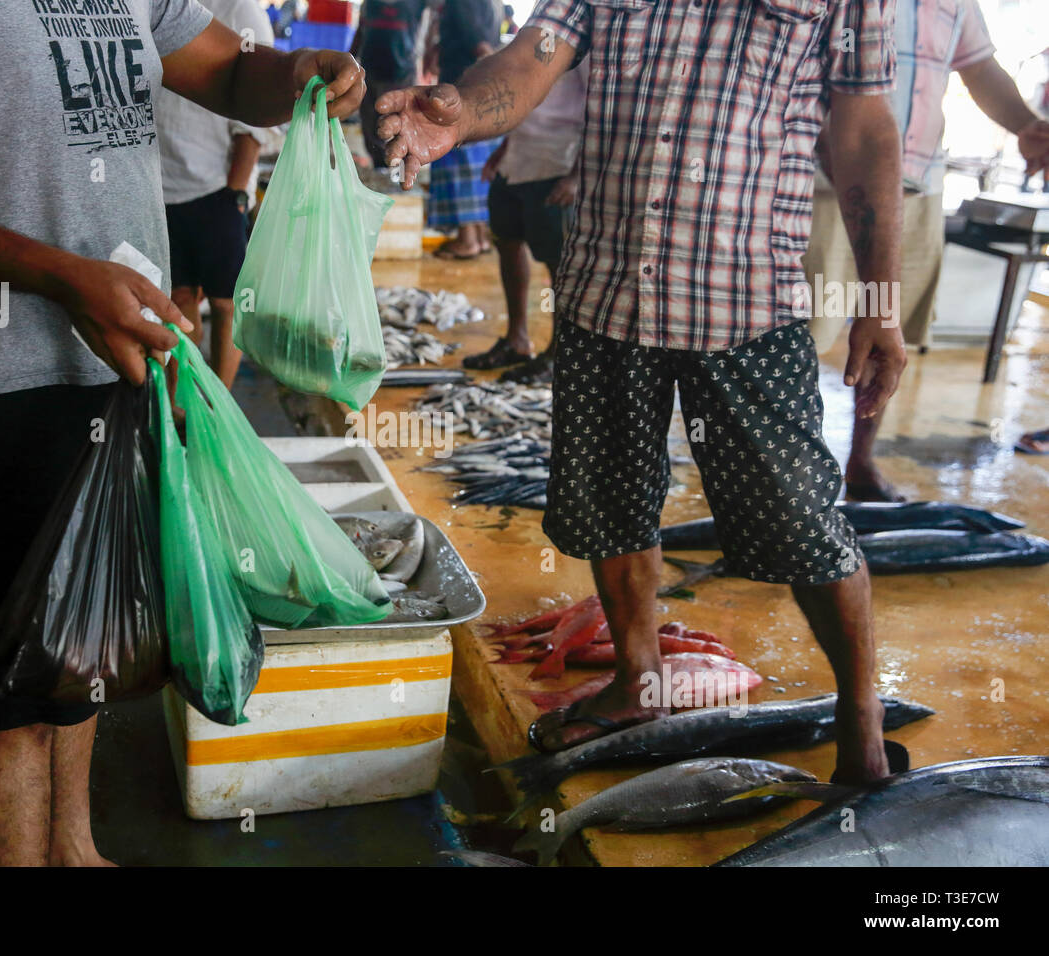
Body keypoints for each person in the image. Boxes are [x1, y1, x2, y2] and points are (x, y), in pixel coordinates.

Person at [0, 0, 364, 865]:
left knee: (83, 637)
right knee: (13, 686)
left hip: (124, 355)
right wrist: (60, 277)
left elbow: (231, 71)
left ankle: (76, 848)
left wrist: (296, 76)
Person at [379, 0, 908, 782]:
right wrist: (457, 114)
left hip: (747, 300)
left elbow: (863, 132)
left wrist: (880, 302)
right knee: (611, 504)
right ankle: (637, 678)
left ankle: (860, 711)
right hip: (604, 291)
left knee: (798, 518)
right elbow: (533, 54)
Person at [804, 0, 1049, 501]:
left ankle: (860, 463)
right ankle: (789, 469)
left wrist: (1027, 127)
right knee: (801, 331)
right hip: (826, 186)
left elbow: (979, 68)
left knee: (887, 335)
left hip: (917, 188)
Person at [157, 0, 275, 389]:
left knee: (226, 302)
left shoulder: (242, 13)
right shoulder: (159, 6)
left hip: (217, 187)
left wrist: (234, 194)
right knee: (178, 300)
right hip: (161, 184)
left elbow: (253, 119)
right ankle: (180, 402)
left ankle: (221, 403)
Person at [462, 55, 587, 384]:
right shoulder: (542, 34)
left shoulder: (588, 41)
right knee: (507, 244)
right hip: (517, 159)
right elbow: (526, 98)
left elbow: (600, 110)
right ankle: (517, 340)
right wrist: (503, 149)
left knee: (557, 267)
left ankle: (558, 355)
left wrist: (577, 176)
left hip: (556, 164)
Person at [425, 0, 501, 258]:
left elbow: (478, 41)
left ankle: (467, 239)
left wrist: (491, 76)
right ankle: (480, 237)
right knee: (476, 167)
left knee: (460, 163)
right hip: (475, 93)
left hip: (460, 90)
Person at [353, 0, 431, 170]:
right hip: (370, 70)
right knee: (371, 123)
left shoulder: (417, 3)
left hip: (401, 74)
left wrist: (430, 56)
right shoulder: (370, 3)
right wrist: (350, 58)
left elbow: (436, 18)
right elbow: (360, 30)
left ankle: (399, 171)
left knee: (400, 124)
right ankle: (379, 167)